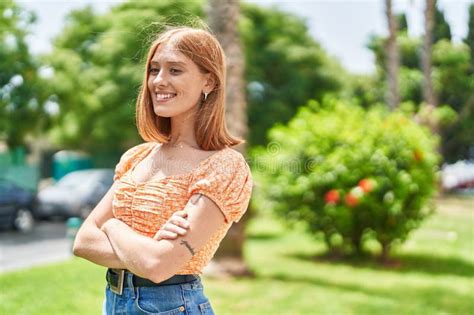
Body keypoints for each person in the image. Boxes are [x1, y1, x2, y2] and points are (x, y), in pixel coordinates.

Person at [73, 26, 253, 315]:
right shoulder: (137, 156)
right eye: (154, 69)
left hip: (171, 305)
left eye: (175, 70)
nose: (159, 81)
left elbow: (159, 267)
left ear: (208, 81)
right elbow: (83, 242)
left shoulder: (224, 166)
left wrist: (112, 226)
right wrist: (146, 250)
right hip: (114, 301)